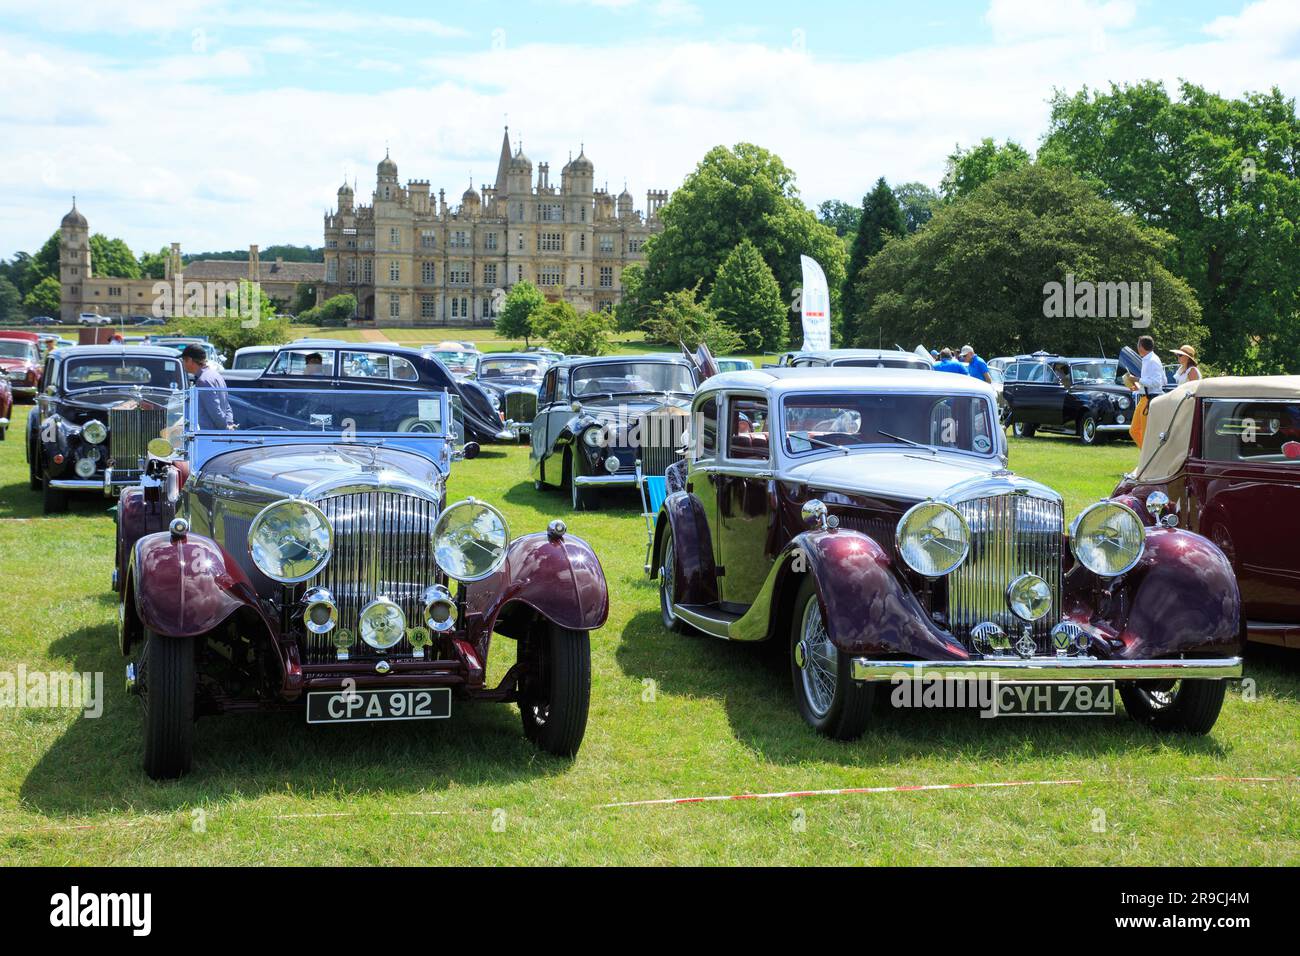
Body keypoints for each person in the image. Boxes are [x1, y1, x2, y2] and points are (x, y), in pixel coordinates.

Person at [181, 343, 234, 430]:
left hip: (209, 435)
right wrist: (229, 424)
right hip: (217, 434)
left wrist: (225, 428)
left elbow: (215, 411)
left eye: (184, 360)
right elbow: (226, 405)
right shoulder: (216, 375)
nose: (183, 363)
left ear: (190, 360)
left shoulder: (203, 381)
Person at [1128, 335, 1164, 447]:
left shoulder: (1152, 360)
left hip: (1150, 400)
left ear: (1141, 346)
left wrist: (1137, 379)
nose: (1137, 347)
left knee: (1144, 433)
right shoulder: (1148, 359)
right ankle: (1147, 455)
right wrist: (1139, 387)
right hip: (1144, 398)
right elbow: (1162, 380)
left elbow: (1157, 382)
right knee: (1134, 430)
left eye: (1138, 344)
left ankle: (1148, 456)